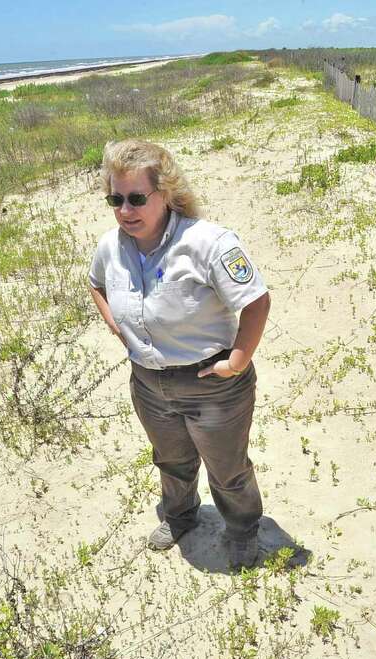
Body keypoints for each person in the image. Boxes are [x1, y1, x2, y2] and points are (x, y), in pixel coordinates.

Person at [87, 139, 271, 569]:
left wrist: (238, 361)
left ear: (164, 193)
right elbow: (95, 283)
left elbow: (256, 301)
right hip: (149, 383)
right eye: (115, 199)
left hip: (212, 385)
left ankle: (242, 529)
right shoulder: (109, 247)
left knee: (228, 469)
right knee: (171, 460)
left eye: (136, 199)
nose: (125, 211)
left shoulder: (208, 243)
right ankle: (180, 515)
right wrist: (117, 326)